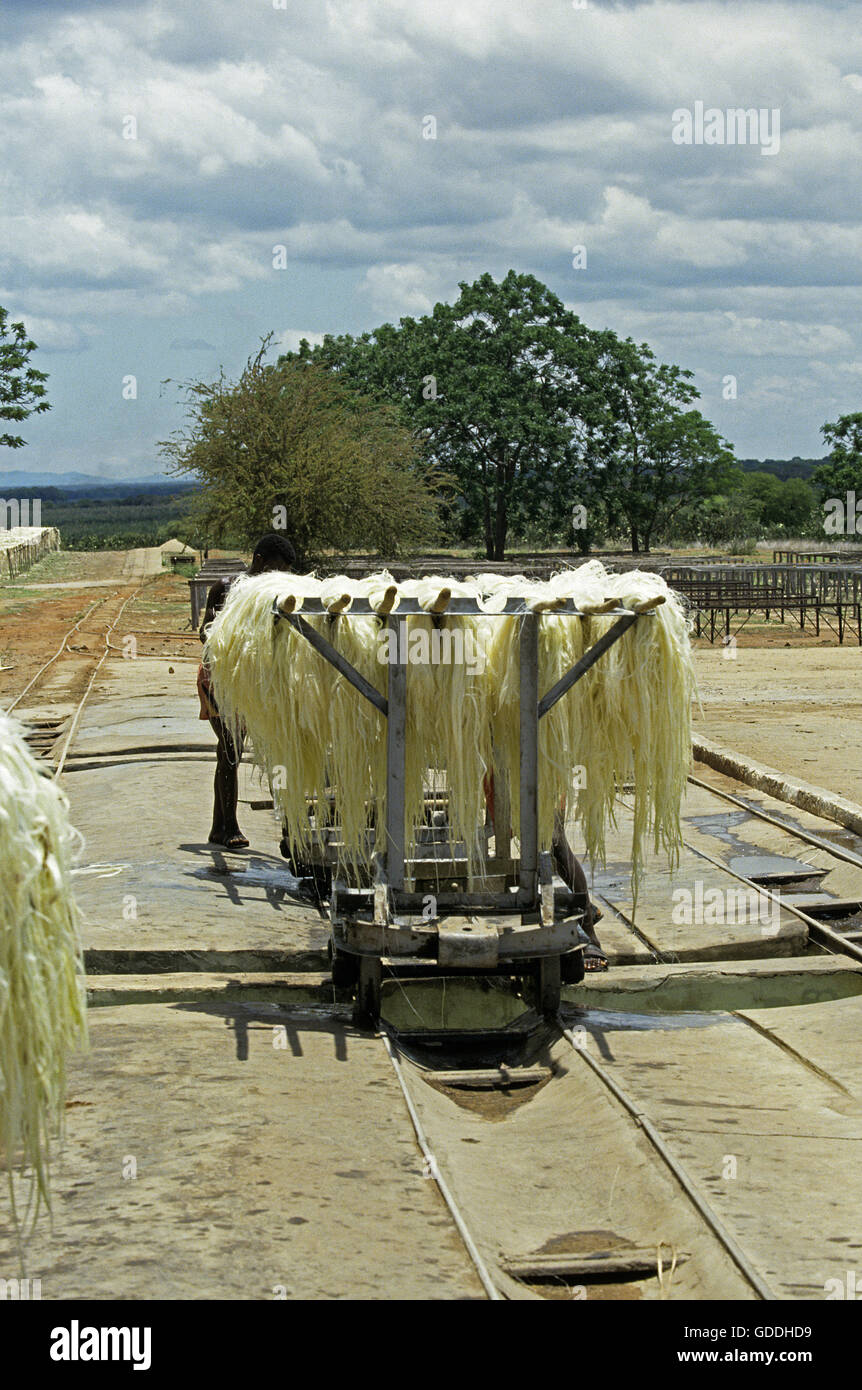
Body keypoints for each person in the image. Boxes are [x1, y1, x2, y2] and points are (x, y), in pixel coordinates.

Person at [197, 533, 297, 847]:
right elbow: (205, 633)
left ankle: (220, 827)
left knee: (264, 752)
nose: (277, 576)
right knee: (230, 749)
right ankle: (230, 828)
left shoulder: (277, 595)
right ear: (259, 561)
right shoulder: (225, 588)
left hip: (256, 684)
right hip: (220, 681)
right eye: (275, 568)